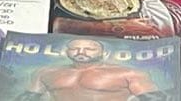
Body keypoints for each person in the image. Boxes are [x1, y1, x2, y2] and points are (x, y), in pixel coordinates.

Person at [28, 39, 167, 101]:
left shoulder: (128, 73)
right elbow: (27, 98)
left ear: (103, 53)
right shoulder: (46, 72)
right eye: (75, 49)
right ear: (67, 52)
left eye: (89, 49)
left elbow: (155, 99)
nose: (81, 52)